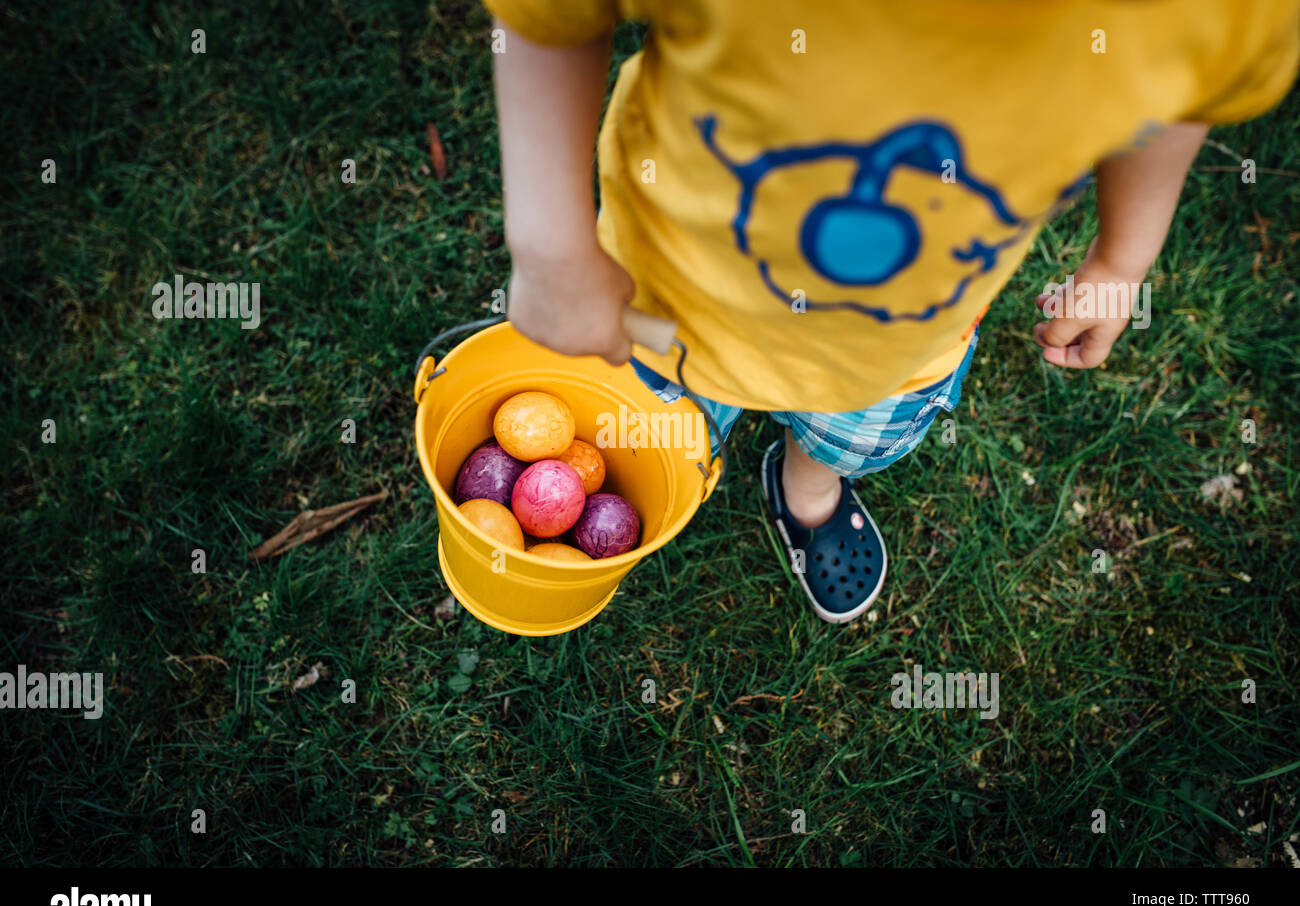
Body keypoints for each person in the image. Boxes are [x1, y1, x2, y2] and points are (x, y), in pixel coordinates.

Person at [484, 0, 1299, 622]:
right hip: (660, 304)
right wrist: (551, 245)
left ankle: (806, 488)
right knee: (656, 418)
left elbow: (1180, 95)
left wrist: (1124, 257)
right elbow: (551, 18)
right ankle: (691, 438)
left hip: (890, 351)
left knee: (847, 433)